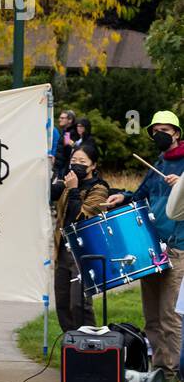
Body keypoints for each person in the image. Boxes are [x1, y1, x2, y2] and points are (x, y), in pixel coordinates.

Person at [105, 110, 184, 382]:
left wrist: (182, 185)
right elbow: (140, 196)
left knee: (170, 316)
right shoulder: (159, 163)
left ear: (176, 132)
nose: (159, 134)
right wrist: (122, 197)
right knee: (151, 316)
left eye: (164, 129)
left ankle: (174, 373)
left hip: (178, 248)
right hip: (152, 247)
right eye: (155, 130)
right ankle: (159, 369)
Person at [50, 142, 110, 333]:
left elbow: (82, 218)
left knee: (79, 304)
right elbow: (49, 195)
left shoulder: (99, 188)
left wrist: (74, 189)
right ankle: (71, 348)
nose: (76, 164)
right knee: (62, 303)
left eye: (82, 161)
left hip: (83, 253)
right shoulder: (67, 183)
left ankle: (89, 349)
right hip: (63, 250)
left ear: (93, 165)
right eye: (73, 160)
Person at [51, 109, 76, 181]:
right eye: (60, 118)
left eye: (62, 118)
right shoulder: (65, 131)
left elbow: (68, 151)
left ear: (70, 120)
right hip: (59, 166)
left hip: (62, 169)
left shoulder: (69, 133)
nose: (59, 120)